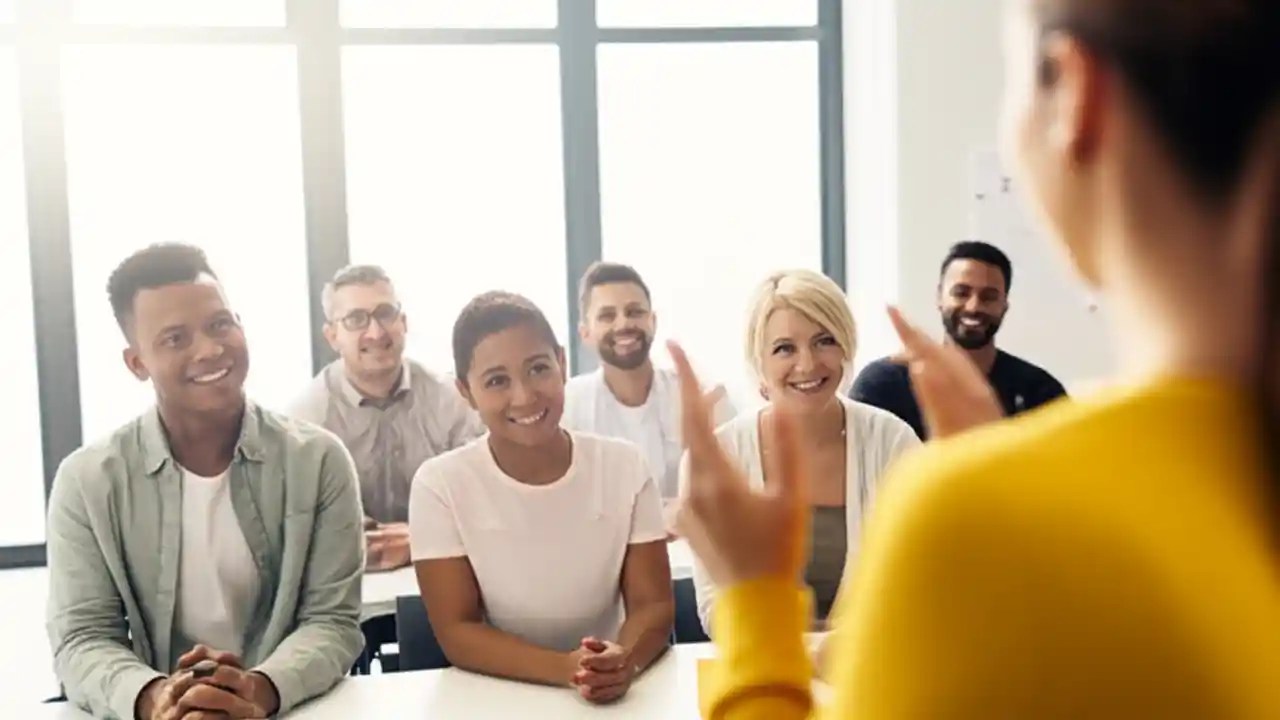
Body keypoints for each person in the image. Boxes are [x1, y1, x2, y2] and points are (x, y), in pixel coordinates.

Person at [673, 0, 1280, 716]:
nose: (807, 362)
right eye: (784, 347)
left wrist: (756, 604)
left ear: (1074, 93)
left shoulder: (981, 505)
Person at [46, 244, 365, 720]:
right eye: (175, 339)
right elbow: (82, 638)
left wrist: (255, 690)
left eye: (220, 324)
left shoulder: (318, 460)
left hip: (286, 708)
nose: (210, 349)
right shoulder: (87, 482)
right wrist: (157, 698)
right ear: (137, 363)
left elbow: (332, 621)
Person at [408, 291, 675, 704]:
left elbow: (653, 605)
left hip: (613, 697)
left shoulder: (624, 466)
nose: (525, 396)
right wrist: (569, 670)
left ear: (562, 364)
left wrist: (624, 661)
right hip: (499, 694)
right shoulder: (440, 485)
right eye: (496, 381)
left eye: (538, 368)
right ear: (465, 391)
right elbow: (458, 632)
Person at [688, 269, 919, 635]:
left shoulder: (892, 441)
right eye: (784, 348)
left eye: (824, 341)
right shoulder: (721, 455)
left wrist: (834, 649)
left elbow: (916, 585)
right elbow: (715, 605)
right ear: (759, 362)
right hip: (763, 658)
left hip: (873, 661)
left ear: (845, 345)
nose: (808, 364)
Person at [291, 264, 483, 573]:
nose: (376, 332)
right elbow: (304, 528)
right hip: (349, 581)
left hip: (447, 565)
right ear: (332, 336)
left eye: (385, 314)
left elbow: (483, 500)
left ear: (403, 323)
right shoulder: (306, 420)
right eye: (356, 319)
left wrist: (420, 538)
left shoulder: (453, 400)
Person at [851, 241, 1068, 439]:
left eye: (989, 297)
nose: (973, 307)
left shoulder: (1041, 394)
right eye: (961, 293)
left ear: (1005, 305)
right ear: (939, 296)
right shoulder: (883, 385)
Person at [563, 261, 736, 500]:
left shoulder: (698, 395)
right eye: (607, 316)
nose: (623, 324)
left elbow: (733, 487)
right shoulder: (568, 405)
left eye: (634, 312)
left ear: (653, 322)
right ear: (585, 334)